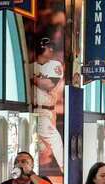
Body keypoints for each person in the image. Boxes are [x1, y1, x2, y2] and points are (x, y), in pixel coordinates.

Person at [31, 38, 65, 172]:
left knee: (45, 148)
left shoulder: (54, 65)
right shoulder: (30, 66)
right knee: (55, 139)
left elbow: (49, 84)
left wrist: (33, 78)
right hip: (36, 110)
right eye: (48, 47)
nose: (51, 50)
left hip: (50, 111)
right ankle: (63, 168)